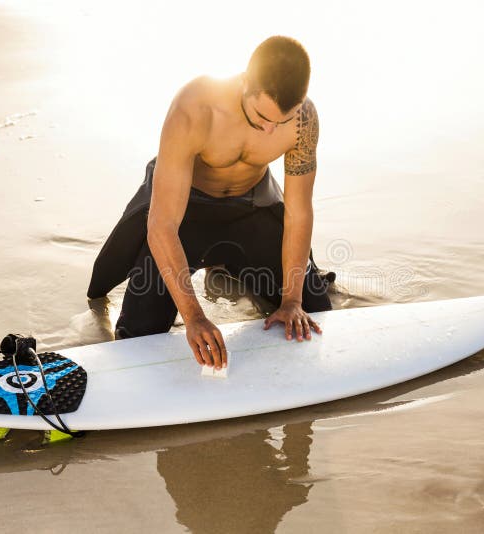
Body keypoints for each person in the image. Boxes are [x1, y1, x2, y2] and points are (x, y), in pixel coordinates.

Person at [87, 36, 334, 371]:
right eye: (262, 116)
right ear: (246, 82)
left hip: (252, 210)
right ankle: (218, 267)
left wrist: (292, 300)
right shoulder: (196, 107)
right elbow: (162, 225)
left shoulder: (303, 120)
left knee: (315, 311)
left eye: (282, 120)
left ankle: (228, 268)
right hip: (186, 211)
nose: (270, 129)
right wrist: (195, 318)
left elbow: (299, 213)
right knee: (138, 334)